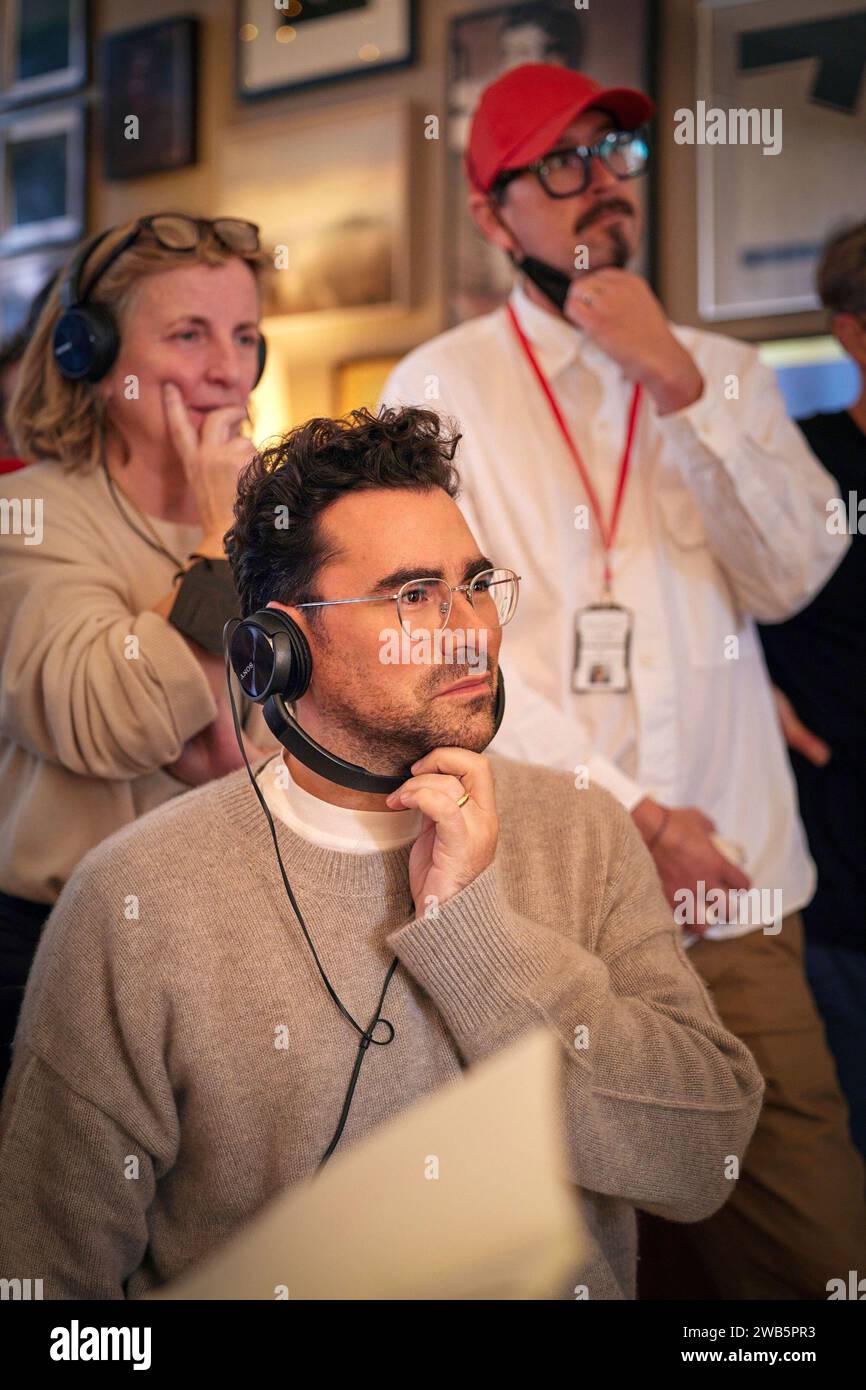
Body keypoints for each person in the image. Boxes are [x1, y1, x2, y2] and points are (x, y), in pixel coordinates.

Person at [0, 406, 763, 1300]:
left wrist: (477, 936)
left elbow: (701, 1153)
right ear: (283, 644)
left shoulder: (583, 831)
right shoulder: (136, 896)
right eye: (411, 595)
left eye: (474, 582)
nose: (469, 628)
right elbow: (46, 1279)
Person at [380, 64, 866, 1297]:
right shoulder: (437, 391)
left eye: (614, 155)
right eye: (560, 161)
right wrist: (631, 818)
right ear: (492, 215)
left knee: (811, 1253)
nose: (600, 180)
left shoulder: (722, 372)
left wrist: (679, 387)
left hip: (736, 895)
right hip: (545, 902)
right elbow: (451, 651)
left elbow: (792, 575)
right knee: (578, 1256)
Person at [0, 214, 276, 1087]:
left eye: (242, 336)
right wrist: (220, 545)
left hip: (238, 939)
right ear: (90, 353)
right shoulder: (32, 515)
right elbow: (113, 719)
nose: (226, 369)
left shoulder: (280, 522)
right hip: (62, 957)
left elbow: (260, 750)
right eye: (187, 335)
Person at [759, 220, 866, 1162]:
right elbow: (714, 595)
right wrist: (758, 694)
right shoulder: (805, 465)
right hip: (835, 872)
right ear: (851, 334)